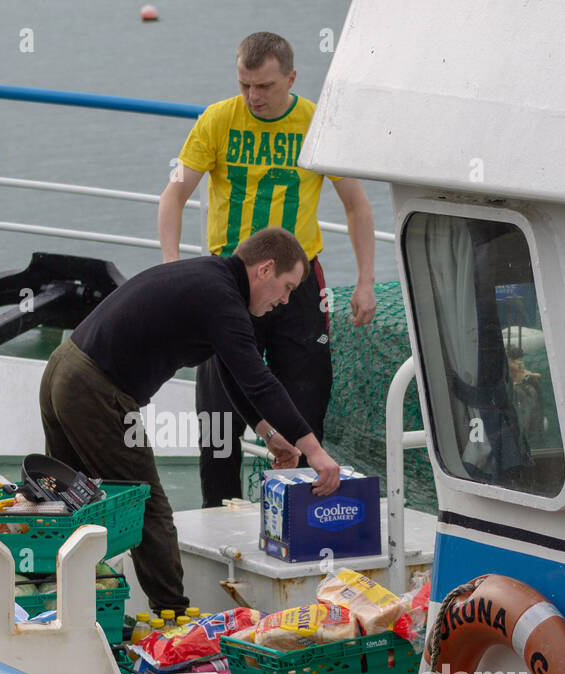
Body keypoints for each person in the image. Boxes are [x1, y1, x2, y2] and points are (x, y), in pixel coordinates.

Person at [39, 227, 342, 613]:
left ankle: (61, 607)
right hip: (93, 389)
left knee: (71, 502)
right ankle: (176, 621)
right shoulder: (223, 299)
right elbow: (259, 379)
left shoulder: (211, 280)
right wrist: (314, 451)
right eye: (286, 287)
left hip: (62, 370)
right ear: (264, 270)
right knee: (146, 508)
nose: (284, 301)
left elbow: (231, 372)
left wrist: (266, 432)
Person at [158, 31, 377, 507]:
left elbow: (357, 205)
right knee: (218, 422)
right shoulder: (216, 121)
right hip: (229, 284)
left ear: (291, 78)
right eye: (245, 86)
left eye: (265, 86)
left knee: (305, 408)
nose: (254, 97)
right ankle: (219, 522)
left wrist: (364, 281)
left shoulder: (316, 122)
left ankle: (300, 518)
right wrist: (172, 269)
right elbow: (174, 193)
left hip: (296, 288)